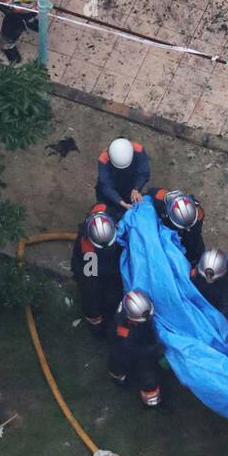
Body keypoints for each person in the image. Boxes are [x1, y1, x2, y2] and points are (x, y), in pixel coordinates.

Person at [70, 207, 123, 337]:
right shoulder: (90, 256)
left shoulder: (104, 210)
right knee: (107, 297)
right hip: (98, 272)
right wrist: (95, 319)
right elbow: (90, 289)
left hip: (106, 263)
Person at [108, 290, 162, 408]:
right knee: (148, 378)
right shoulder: (125, 335)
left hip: (132, 345)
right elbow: (135, 353)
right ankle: (151, 401)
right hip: (126, 355)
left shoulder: (129, 308)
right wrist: (154, 349)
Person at [95, 137, 151, 213]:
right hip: (112, 185)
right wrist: (120, 201)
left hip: (130, 185)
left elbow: (144, 172)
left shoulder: (138, 150)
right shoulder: (104, 159)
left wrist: (136, 189)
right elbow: (106, 185)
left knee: (129, 204)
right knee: (106, 207)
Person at [152, 188, 205, 264]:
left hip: (191, 229)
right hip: (167, 222)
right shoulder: (159, 196)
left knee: (194, 241)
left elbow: (195, 234)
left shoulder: (198, 215)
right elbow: (149, 194)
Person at [191, 248, 228, 333]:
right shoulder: (196, 274)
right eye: (205, 277)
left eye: (214, 279)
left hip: (217, 309)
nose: (209, 280)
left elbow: (225, 308)